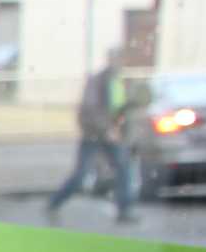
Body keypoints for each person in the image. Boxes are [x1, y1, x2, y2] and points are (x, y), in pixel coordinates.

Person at [48, 51, 139, 222]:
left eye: (121, 59)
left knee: (123, 169)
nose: (120, 63)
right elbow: (89, 111)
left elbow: (119, 110)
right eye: (117, 59)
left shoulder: (118, 82)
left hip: (111, 136)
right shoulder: (97, 81)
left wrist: (122, 125)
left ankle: (124, 211)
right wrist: (106, 129)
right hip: (93, 136)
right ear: (110, 60)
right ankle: (54, 203)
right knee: (81, 174)